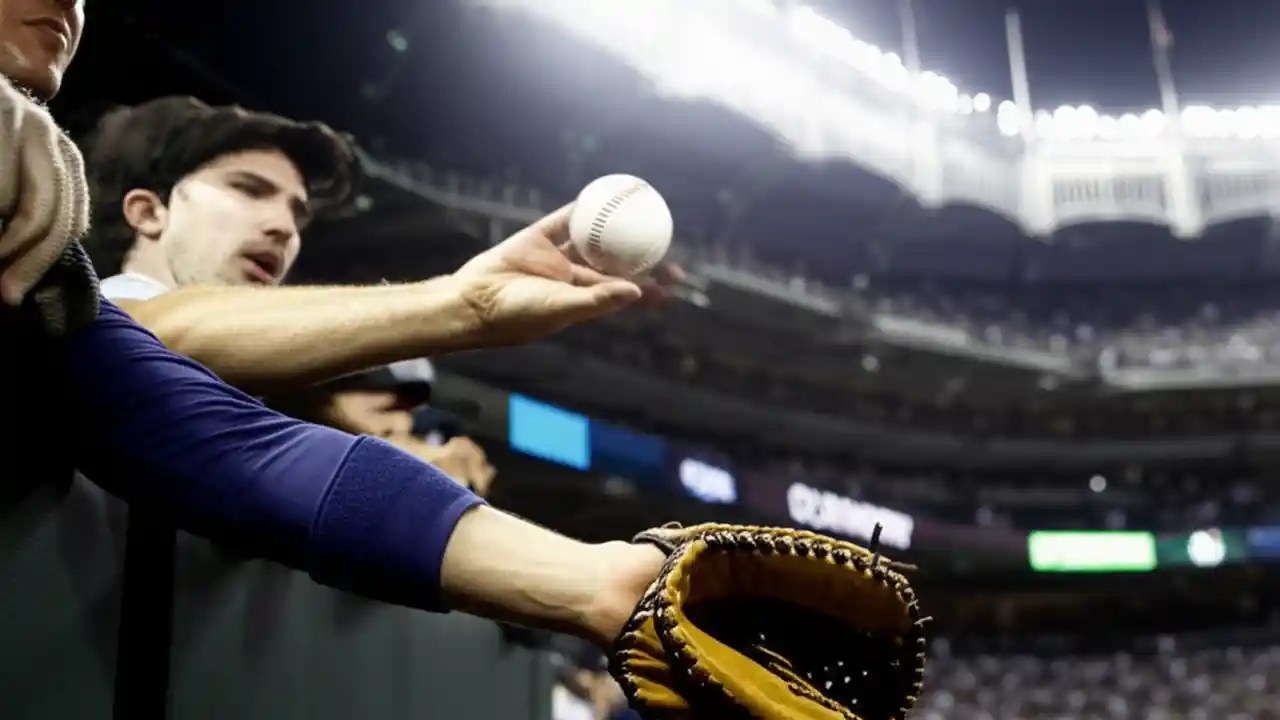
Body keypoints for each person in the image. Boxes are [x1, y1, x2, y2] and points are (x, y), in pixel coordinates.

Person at [0, 0, 663, 668]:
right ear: (148, 211)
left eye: (296, 210)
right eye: (248, 189)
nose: (285, 226)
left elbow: (227, 439)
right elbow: (152, 333)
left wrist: (594, 580)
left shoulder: (89, 329)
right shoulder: (75, 277)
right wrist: (460, 305)